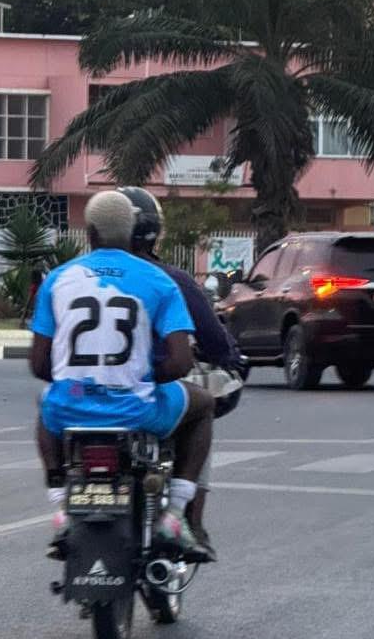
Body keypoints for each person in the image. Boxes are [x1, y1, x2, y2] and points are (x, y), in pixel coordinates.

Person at [29, 190, 214, 563]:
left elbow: (39, 364)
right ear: (132, 233)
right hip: (136, 412)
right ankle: (176, 514)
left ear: (90, 233)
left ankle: (60, 504)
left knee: (46, 400)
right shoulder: (159, 282)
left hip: (71, 409)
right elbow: (180, 362)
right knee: (204, 404)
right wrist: (140, 375)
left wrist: (76, 379)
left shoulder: (59, 279)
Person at [118, 186, 245, 557]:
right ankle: (186, 517)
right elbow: (200, 349)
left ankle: (63, 503)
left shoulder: (72, 277)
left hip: (85, 396)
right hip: (146, 396)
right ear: (153, 231)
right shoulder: (168, 280)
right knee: (202, 406)